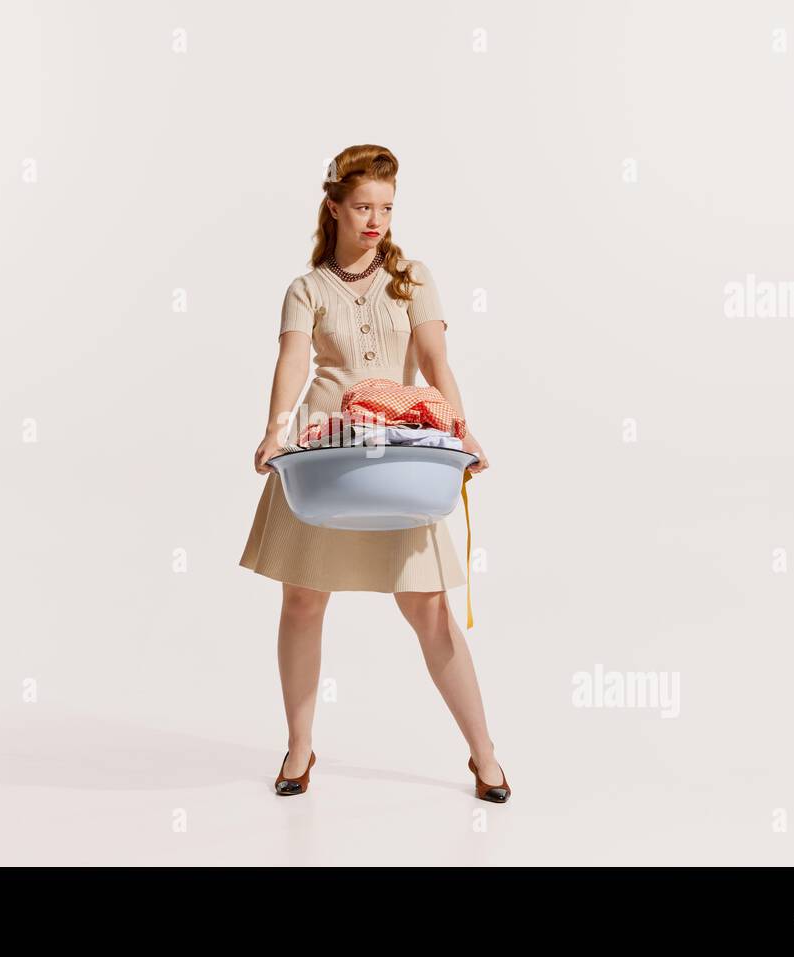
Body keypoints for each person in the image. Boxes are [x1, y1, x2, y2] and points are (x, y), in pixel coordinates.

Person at [238, 144, 509, 803]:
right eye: (362, 206)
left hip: (398, 456)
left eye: (386, 207)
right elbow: (295, 362)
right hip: (324, 456)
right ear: (333, 207)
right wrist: (276, 427)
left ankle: (484, 754)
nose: (374, 219)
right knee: (302, 601)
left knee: (432, 609)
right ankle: (300, 747)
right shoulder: (305, 288)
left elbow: (437, 363)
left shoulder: (412, 279)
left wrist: (463, 427)